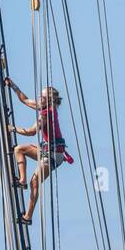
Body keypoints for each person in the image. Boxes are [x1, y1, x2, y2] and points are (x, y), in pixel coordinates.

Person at [5, 78, 74, 225]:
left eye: (41, 97)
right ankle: (22, 180)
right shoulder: (46, 108)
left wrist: (13, 129)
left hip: (54, 156)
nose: (38, 98)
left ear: (48, 100)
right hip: (47, 151)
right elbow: (24, 100)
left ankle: (27, 217)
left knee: (35, 182)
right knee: (19, 149)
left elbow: (31, 132)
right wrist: (13, 85)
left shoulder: (46, 114)